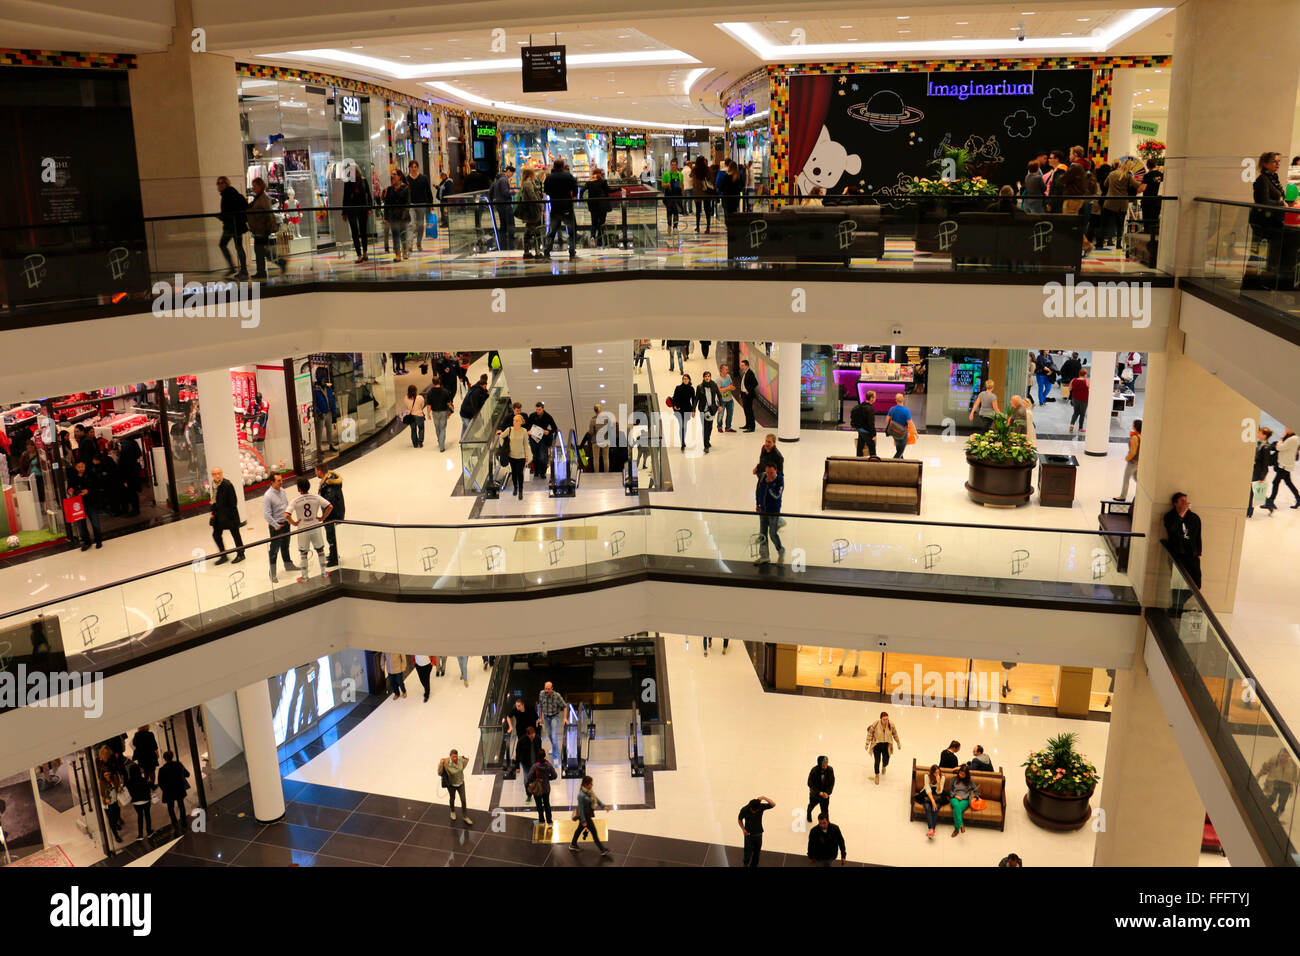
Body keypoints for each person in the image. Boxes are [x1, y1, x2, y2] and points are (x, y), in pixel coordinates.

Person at [285, 477, 332, 580]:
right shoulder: (316, 497)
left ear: (299, 489)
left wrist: (294, 523)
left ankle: (305, 577)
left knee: (303, 553)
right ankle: (324, 573)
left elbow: (287, 515)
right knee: (320, 550)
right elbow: (329, 506)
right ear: (308, 486)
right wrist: (322, 518)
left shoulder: (295, 501)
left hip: (303, 529)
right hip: (315, 527)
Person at [246, 177, 287, 279]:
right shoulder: (259, 197)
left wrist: (268, 227)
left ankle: (277, 263)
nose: (253, 188)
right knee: (260, 250)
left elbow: (268, 214)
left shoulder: (263, 198)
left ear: (260, 186)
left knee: (260, 250)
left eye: (255, 186)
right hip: (259, 228)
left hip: (262, 228)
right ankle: (263, 270)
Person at [262, 472, 299, 583]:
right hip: (276, 527)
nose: (281, 482)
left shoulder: (283, 491)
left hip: (286, 523)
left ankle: (288, 565)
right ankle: (272, 573)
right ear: (272, 482)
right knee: (274, 550)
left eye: (281, 480)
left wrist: (289, 519)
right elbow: (267, 514)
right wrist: (276, 526)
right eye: (278, 481)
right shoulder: (268, 496)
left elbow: (286, 506)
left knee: (285, 545)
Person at [1163, 492, 1203, 589]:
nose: (1185, 503)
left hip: (1192, 555)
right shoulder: (1169, 517)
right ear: (1175, 503)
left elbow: (1197, 536)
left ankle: (1184, 600)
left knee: (1196, 585)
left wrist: (1198, 553)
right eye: (1182, 501)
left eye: (1186, 501)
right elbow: (1172, 529)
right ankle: (1178, 603)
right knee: (1177, 584)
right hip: (1178, 555)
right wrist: (1181, 514)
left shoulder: (1194, 518)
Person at [543, 158, 579, 260]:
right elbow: (575, 187)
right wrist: (574, 196)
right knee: (572, 230)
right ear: (563, 166)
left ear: (554, 166)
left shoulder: (549, 178)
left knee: (552, 231)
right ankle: (571, 251)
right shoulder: (568, 176)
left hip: (555, 207)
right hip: (567, 206)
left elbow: (547, 191)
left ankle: (547, 251)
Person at [209, 466, 244, 563]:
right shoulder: (214, 484)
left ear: (222, 473)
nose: (217, 476)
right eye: (215, 474)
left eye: (219, 473)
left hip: (229, 516)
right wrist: (212, 511)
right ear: (212, 475)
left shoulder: (227, 485)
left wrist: (225, 514)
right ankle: (223, 555)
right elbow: (214, 499)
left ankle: (241, 554)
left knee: (235, 534)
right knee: (216, 534)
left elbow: (233, 502)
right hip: (219, 516)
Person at [68, 459, 105, 550]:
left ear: (85, 466)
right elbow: (69, 487)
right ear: (75, 467)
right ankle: (86, 542)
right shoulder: (73, 476)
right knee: (81, 525)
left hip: (91, 502)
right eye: (78, 467)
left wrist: (88, 491)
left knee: (95, 522)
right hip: (79, 504)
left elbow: (97, 486)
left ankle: (98, 540)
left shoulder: (91, 474)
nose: (80, 469)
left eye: (82, 466)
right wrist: (70, 490)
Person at [215, 176, 249, 277]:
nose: (219, 185)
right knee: (238, 246)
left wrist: (221, 217)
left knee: (224, 245)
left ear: (226, 183)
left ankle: (236, 268)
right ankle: (242, 269)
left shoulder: (227, 195)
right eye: (218, 183)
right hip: (237, 225)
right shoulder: (233, 193)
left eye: (221, 183)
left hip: (231, 226)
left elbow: (228, 212)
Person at [314, 463, 345, 567]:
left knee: (330, 536)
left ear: (319, 471)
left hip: (332, 515)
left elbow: (329, 504)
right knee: (331, 536)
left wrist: (324, 517)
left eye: (316, 471)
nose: (315, 473)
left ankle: (334, 559)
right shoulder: (330, 481)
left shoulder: (328, 486)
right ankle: (333, 554)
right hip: (335, 513)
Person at [1101, 160, 1137, 249]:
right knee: (1120, 225)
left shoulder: (1112, 173)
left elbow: (1105, 184)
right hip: (1122, 204)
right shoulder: (1128, 176)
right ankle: (1118, 244)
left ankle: (1099, 242)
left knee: (1104, 224)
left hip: (1109, 203)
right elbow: (1136, 185)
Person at [568, 776, 609, 854]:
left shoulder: (589, 792)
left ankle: (573, 844)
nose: (592, 785)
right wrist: (583, 820)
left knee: (579, 830)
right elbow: (580, 809)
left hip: (588, 815)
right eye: (590, 784)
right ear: (586, 784)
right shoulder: (581, 795)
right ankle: (602, 849)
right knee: (594, 832)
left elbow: (596, 799)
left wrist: (604, 806)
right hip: (585, 816)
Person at [496, 412, 532, 499]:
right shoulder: (509, 429)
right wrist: (504, 446)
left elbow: (526, 445)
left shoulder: (524, 431)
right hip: (511, 456)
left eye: (516, 421)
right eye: (514, 420)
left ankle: (520, 490)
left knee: (520, 473)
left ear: (520, 422)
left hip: (521, 456)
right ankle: (515, 488)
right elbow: (501, 436)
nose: (514, 422)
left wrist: (527, 456)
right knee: (514, 473)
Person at [754, 463, 784, 565]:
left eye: (771, 472)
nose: (769, 475)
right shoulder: (763, 476)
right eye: (767, 472)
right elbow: (759, 490)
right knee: (763, 533)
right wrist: (757, 503)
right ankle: (764, 556)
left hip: (773, 511)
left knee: (772, 533)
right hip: (763, 509)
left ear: (776, 471)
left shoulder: (780, 480)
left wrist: (770, 484)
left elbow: (777, 495)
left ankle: (780, 549)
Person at [1266, 427, 1300, 510]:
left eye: (1288, 427)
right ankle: (1299, 499)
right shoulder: (1289, 437)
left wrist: (1281, 438)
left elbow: (1279, 447)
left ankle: (1271, 501)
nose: (1286, 428)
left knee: (1275, 482)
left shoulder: (1293, 439)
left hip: (1285, 465)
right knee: (1288, 482)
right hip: (1284, 463)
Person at [342, 168, 372, 262]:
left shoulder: (363, 181)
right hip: (351, 209)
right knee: (354, 232)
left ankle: (365, 252)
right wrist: (344, 212)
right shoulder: (347, 182)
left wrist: (369, 208)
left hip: (362, 208)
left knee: (363, 232)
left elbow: (369, 194)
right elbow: (345, 197)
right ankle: (359, 254)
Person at [157, 750, 190, 831]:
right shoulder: (178, 764)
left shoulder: (162, 770)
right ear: (172, 756)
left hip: (169, 791)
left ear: (164, 759)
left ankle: (174, 823)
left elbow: (160, 783)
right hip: (179, 788)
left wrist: (165, 789)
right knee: (181, 805)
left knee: (170, 808)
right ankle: (183, 821)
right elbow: (187, 774)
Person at [1258, 749, 1297, 816]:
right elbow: (1265, 769)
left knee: (1282, 803)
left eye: (1286, 756)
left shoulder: (1293, 764)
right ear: (1279, 755)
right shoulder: (1274, 760)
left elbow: (1295, 777)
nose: (1284, 758)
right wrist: (1258, 776)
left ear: (1289, 756)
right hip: (1273, 783)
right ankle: (1261, 812)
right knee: (1271, 798)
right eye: (1282, 755)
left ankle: (1276, 818)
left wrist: (1293, 788)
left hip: (1286, 786)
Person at [383, 169, 411, 261]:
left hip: (403, 216)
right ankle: (397, 254)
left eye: (394, 174)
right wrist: (386, 217)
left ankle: (405, 251)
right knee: (395, 235)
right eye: (392, 175)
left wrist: (404, 213)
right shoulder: (390, 189)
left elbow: (407, 203)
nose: (393, 176)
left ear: (399, 177)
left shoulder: (406, 188)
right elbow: (386, 204)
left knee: (403, 234)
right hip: (393, 216)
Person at [737, 796, 773, 867]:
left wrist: (764, 797)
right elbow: (739, 820)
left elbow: (773, 804)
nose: (755, 812)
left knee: (757, 852)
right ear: (750, 807)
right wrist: (743, 830)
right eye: (754, 810)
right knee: (747, 852)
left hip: (759, 834)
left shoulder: (760, 806)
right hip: (748, 835)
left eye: (756, 810)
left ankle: (754, 865)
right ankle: (745, 864)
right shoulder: (744, 809)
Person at [526, 401, 558, 480]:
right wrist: (528, 431)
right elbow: (527, 426)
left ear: (543, 409)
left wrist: (549, 432)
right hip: (533, 438)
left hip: (543, 439)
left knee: (542, 456)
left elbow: (554, 428)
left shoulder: (548, 416)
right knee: (535, 455)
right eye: (537, 409)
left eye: (539, 409)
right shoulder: (532, 415)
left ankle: (543, 472)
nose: (538, 411)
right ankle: (536, 471)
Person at [438, 749, 472, 824]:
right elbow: (439, 773)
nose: (455, 758)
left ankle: (465, 816)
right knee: (452, 798)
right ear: (450, 756)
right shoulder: (446, 763)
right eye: (453, 757)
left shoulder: (460, 759)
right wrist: (441, 764)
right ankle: (452, 811)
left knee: (463, 800)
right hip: (451, 785)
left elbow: (464, 763)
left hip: (460, 783)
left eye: (456, 756)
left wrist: (465, 759)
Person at [517, 167, 545, 258]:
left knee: (532, 229)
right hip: (532, 210)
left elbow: (536, 189)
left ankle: (531, 251)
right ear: (530, 174)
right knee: (532, 230)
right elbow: (532, 196)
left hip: (532, 210)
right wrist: (540, 205)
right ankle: (532, 252)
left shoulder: (529, 182)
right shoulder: (528, 183)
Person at [913, 763, 947, 839]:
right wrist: (933, 801)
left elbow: (939, 791)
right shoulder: (927, 776)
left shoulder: (943, 777)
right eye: (935, 772)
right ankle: (931, 829)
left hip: (938, 794)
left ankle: (931, 830)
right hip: (928, 794)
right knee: (928, 807)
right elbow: (927, 789)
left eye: (938, 772)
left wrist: (938, 782)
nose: (937, 774)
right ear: (931, 773)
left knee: (936, 808)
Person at [866, 711, 901, 784]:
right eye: (884, 719)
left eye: (887, 719)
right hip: (877, 745)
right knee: (877, 761)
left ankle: (884, 766)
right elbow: (870, 733)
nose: (886, 721)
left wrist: (898, 743)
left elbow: (895, 734)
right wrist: (867, 743)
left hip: (886, 746)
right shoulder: (876, 724)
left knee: (886, 761)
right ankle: (877, 775)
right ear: (880, 719)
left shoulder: (891, 725)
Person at [526, 749, 557, 828]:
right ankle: (549, 821)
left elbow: (529, 777)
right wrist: (547, 779)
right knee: (547, 804)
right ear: (544, 756)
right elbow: (555, 776)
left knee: (539, 805)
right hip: (546, 788)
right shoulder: (549, 765)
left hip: (537, 789)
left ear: (537, 757)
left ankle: (541, 821)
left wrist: (535, 779)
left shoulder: (535, 766)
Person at [124, 759, 154, 840]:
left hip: (136, 803)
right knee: (147, 815)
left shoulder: (129, 783)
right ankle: (149, 832)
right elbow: (151, 787)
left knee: (140, 816)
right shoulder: (143, 780)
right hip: (146, 800)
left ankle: (140, 834)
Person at [584, 166, 613, 247]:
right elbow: (609, 190)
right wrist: (618, 189)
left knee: (594, 223)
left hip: (593, 205)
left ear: (593, 174)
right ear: (600, 174)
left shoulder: (589, 182)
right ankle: (600, 239)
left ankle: (592, 236)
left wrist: (583, 200)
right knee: (602, 222)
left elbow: (582, 190)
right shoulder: (603, 181)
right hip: (603, 205)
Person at [1249, 427, 1275, 517]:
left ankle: (1249, 512)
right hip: (1255, 470)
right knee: (1256, 492)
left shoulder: (1266, 447)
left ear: (1264, 435)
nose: (1258, 434)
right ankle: (1269, 504)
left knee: (1253, 492)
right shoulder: (1259, 443)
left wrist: (1262, 476)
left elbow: (1265, 463)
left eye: (1260, 433)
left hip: (1259, 472)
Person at [504, 696, 535, 771]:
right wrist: (510, 727)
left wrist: (535, 727)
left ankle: (530, 759)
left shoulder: (528, 708)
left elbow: (535, 717)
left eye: (519, 706)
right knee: (520, 745)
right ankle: (520, 762)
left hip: (529, 729)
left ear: (522, 705)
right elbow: (508, 716)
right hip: (520, 730)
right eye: (516, 706)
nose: (517, 707)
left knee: (530, 743)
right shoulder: (515, 710)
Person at [538, 681, 567, 760]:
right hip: (546, 717)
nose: (546, 690)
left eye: (548, 689)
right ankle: (554, 748)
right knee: (550, 735)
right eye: (545, 688)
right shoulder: (541, 694)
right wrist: (540, 718)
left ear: (552, 688)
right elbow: (540, 706)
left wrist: (564, 718)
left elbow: (565, 706)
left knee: (554, 736)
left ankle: (556, 757)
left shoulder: (557, 696)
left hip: (554, 717)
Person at [948, 764, 980, 837]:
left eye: (963, 774)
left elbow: (976, 791)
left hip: (965, 800)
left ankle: (956, 829)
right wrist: (955, 796)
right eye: (960, 773)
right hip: (954, 798)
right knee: (956, 805)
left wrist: (976, 797)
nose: (961, 775)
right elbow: (950, 791)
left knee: (955, 809)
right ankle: (961, 825)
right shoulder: (954, 779)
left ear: (966, 774)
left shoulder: (969, 781)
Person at [490, 164, 515, 250]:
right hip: (505, 204)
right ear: (508, 171)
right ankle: (511, 240)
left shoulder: (497, 179)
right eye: (511, 174)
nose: (511, 176)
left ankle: (502, 241)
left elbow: (492, 191)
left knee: (503, 224)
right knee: (510, 222)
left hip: (499, 204)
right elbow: (505, 192)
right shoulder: (504, 180)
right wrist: (513, 192)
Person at [695, 371, 722, 454]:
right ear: (703, 377)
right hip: (703, 410)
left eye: (708, 376)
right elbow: (696, 399)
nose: (707, 377)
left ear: (710, 377)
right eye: (706, 376)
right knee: (705, 428)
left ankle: (707, 441)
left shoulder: (714, 385)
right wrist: (693, 410)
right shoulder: (700, 387)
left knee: (710, 427)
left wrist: (720, 405)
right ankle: (706, 446)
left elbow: (719, 395)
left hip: (712, 409)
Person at [670, 373, 696, 452]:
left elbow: (694, 400)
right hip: (679, 409)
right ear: (682, 379)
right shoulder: (678, 388)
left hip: (687, 409)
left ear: (689, 380)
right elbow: (674, 398)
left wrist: (693, 410)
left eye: (687, 379)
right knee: (682, 425)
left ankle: (683, 440)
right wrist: (674, 405)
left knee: (684, 426)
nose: (685, 380)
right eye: (684, 378)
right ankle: (682, 442)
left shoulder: (691, 389)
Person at [459, 373, 490, 438]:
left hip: (464, 412)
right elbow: (474, 403)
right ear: (482, 385)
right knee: (471, 430)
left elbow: (482, 396)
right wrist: (476, 414)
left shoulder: (477, 388)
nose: (485, 388)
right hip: (466, 414)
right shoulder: (477, 391)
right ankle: (468, 443)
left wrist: (486, 395)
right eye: (485, 386)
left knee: (465, 428)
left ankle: (462, 443)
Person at [806, 755, 835, 822]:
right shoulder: (814, 771)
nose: (825, 766)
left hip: (825, 795)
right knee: (811, 806)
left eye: (826, 764)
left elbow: (832, 782)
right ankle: (808, 815)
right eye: (823, 764)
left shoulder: (830, 770)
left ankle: (826, 823)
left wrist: (828, 793)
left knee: (825, 811)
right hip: (815, 795)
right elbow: (810, 783)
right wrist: (819, 792)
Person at [1119, 419, 1142, 500]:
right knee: (1137, 478)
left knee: (1126, 479)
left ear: (1135, 426)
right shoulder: (1141, 436)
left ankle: (1122, 496)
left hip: (1132, 462)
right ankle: (1142, 493)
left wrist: (1127, 458)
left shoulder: (1135, 437)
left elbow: (1133, 451)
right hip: (1138, 462)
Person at [849, 390, 877, 456]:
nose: (875, 399)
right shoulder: (870, 409)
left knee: (860, 445)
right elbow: (871, 423)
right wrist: (874, 434)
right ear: (871, 398)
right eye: (874, 397)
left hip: (859, 428)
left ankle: (859, 459)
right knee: (872, 446)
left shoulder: (860, 406)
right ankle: (874, 461)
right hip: (866, 430)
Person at [690, 156, 715, 232]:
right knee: (707, 210)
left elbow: (691, 178)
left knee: (698, 210)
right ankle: (708, 228)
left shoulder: (694, 169)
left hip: (697, 192)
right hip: (706, 192)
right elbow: (712, 179)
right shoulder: (708, 169)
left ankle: (697, 227)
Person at [1140, 158, 1164, 236]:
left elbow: (1143, 188)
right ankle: (1154, 237)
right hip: (1157, 201)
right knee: (1155, 220)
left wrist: (1136, 189)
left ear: (1147, 166)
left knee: (1147, 221)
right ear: (1155, 165)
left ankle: (1147, 236)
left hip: (1147, 201)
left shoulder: (1147, 175)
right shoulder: (1161, 175)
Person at [885, 393, 912, 459]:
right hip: (903, 433)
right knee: (900, 451)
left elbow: (887, 420)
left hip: (894, 432)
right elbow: (910, 423)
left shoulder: (892, 409)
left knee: (898, 447)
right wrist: (915, 432)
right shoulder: (906, 410)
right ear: (903, 399)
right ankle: (893, 462)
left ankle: (901, 461)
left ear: (896, 400)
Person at [402, 383, 427, 448]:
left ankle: (415, 443)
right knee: (421, 428)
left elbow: (406, 405)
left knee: (413, 430)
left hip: (411, 416)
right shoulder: (420, 398)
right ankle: (420, 441)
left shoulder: (406, 398)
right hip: (419, 414)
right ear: (416, 390)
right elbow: (422, 405)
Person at [715, 363, 738, 433]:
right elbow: (718, 390)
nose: (727, 370)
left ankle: (728, 427)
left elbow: (731, 384)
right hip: (721, 400)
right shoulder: (718, 379)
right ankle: (719, 426)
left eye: (727, 369)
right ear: (721, 370)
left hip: (729, 399)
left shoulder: (728, 376)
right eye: (726, 369)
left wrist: (732, 387)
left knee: (730, 413)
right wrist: (728, 388)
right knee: (721, 414)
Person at [738, 359, 759, 432]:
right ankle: (747, 425)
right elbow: (743, 384)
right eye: (741, 365)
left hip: (748, 395)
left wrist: (748, 390)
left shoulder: (750, 373)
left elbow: (755, 383)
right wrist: (741, 393)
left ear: (747, 365)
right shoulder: (744, 373)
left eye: (742, 365)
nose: (741, 367)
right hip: (744, 394)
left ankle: (752, 427)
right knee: (746, 410)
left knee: (749, 410)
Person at [663, 159, 684, 232]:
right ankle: (669, 225)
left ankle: (675, 227)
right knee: (669, 211)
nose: (673, 166)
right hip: (669, 196)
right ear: (670, 165)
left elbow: (682, 185)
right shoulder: (666, 174)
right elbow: (662, 184)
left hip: (677, 196)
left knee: (676, 211)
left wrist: (683, 195)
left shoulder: (680, 174)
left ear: (677, 165)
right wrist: (667, 184)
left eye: (675, 165)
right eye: (672, 165)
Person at [1067, 367, 1090, 433]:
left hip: (1075, 399)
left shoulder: (1073, 380)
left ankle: (1072, 425)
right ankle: (1080, 428)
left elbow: (1069, 388)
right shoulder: (1086, 382)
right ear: (1085, 374)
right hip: (1084, 400)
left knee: (1076, 412)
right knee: (1082, 414)